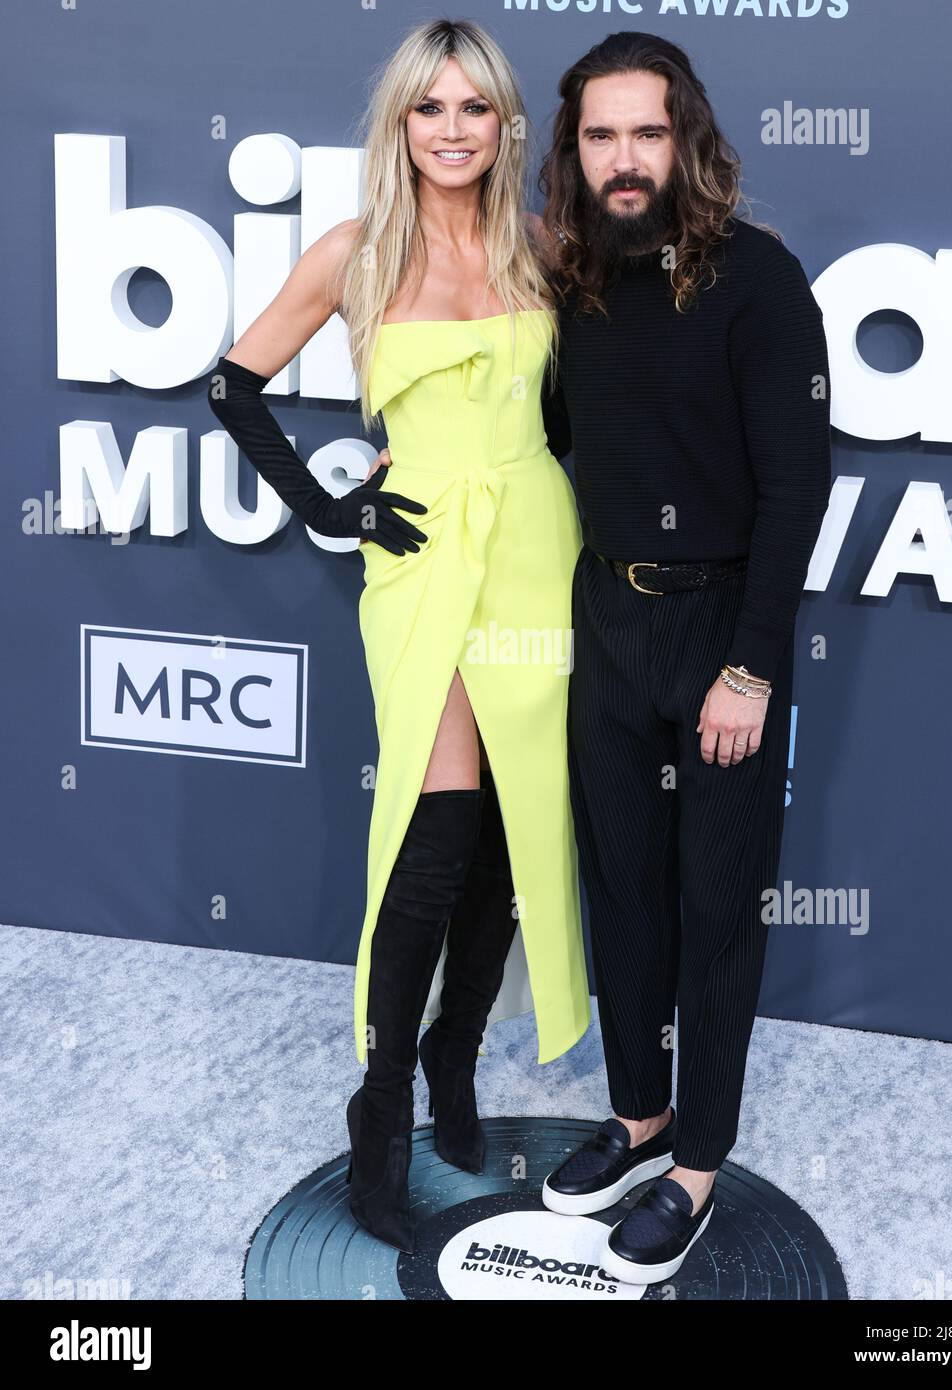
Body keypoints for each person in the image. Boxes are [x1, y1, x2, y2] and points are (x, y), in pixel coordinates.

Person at [208, 18, 590, 1256]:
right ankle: (382, 1105)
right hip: (421, 564)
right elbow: (232, 385)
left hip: (537, 551)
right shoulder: (354, 253)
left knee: (507, 820)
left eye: (474, 107)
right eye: (429, 108)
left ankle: (455, 1058)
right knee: (433, 824)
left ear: (503, 123)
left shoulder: (541, 247)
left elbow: (579, 413)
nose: (451, 129)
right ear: (399, 124)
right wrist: (337, 506)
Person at [534, 32, 833, 1284]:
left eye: (645, 133)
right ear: (575, 150)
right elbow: (544, 436)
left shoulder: (759, 280)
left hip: (722, 635)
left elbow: (795, 487)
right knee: (622, 891)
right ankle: (637, 1112)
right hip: (607, 619)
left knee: (716, 912)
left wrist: (752, 668)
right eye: (599, 136)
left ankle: (697, 1162)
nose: (622, 158)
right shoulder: (575, 285)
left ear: (686, 139)